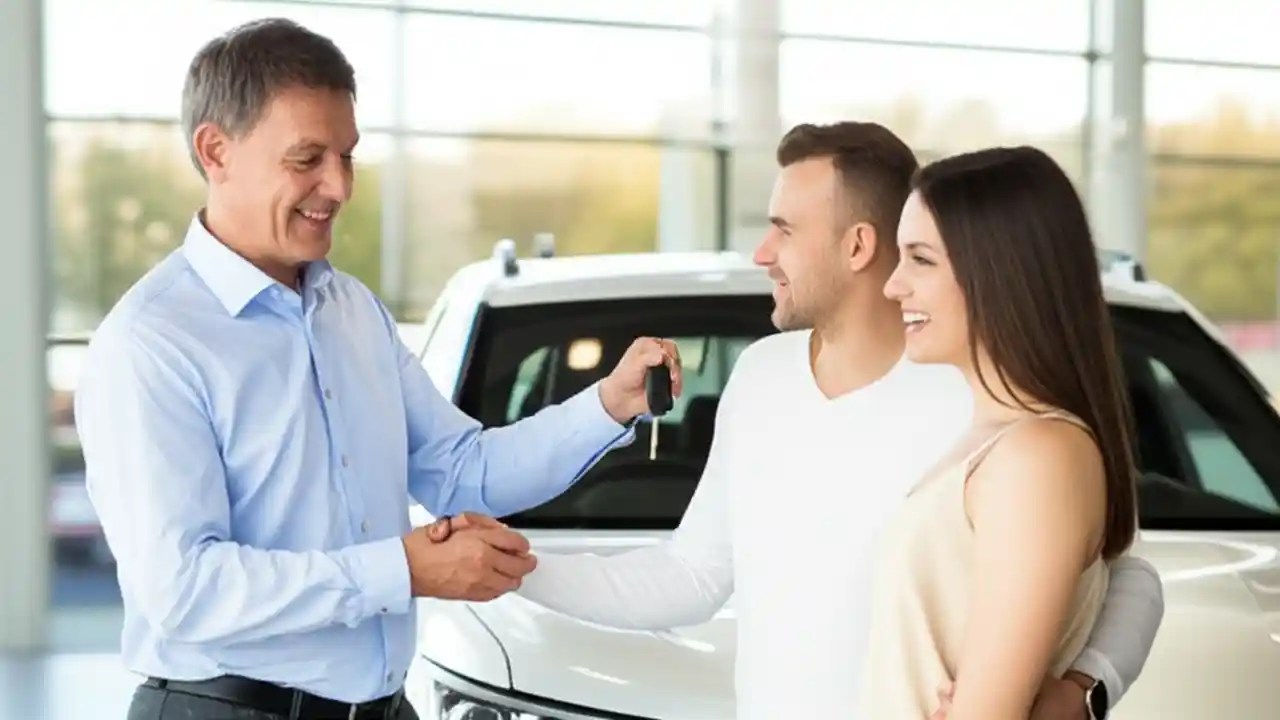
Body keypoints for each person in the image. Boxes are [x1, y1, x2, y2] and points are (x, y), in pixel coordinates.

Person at [73, 19, 679, 720]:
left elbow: (464, 471)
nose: (338, 186)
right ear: (216, 150)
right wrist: (405, 569)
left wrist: (608, 403)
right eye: (307, 159)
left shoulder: (351, 309)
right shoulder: (150, 342)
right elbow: (183, 588)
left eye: (347, 156)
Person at [514, 122, 1165, 719]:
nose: (762, 253)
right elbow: (691, 575)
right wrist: (513, 566)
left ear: (857, 245)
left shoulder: (989, 403)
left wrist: (1084, 691)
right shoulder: (762, 375)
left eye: (784, 228)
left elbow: (1120, 570)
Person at [863, 146, 1142, 719]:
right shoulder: (999, 441)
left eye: (920, 259)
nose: (893, 286)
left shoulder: (1038, 455)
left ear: (998, 272)